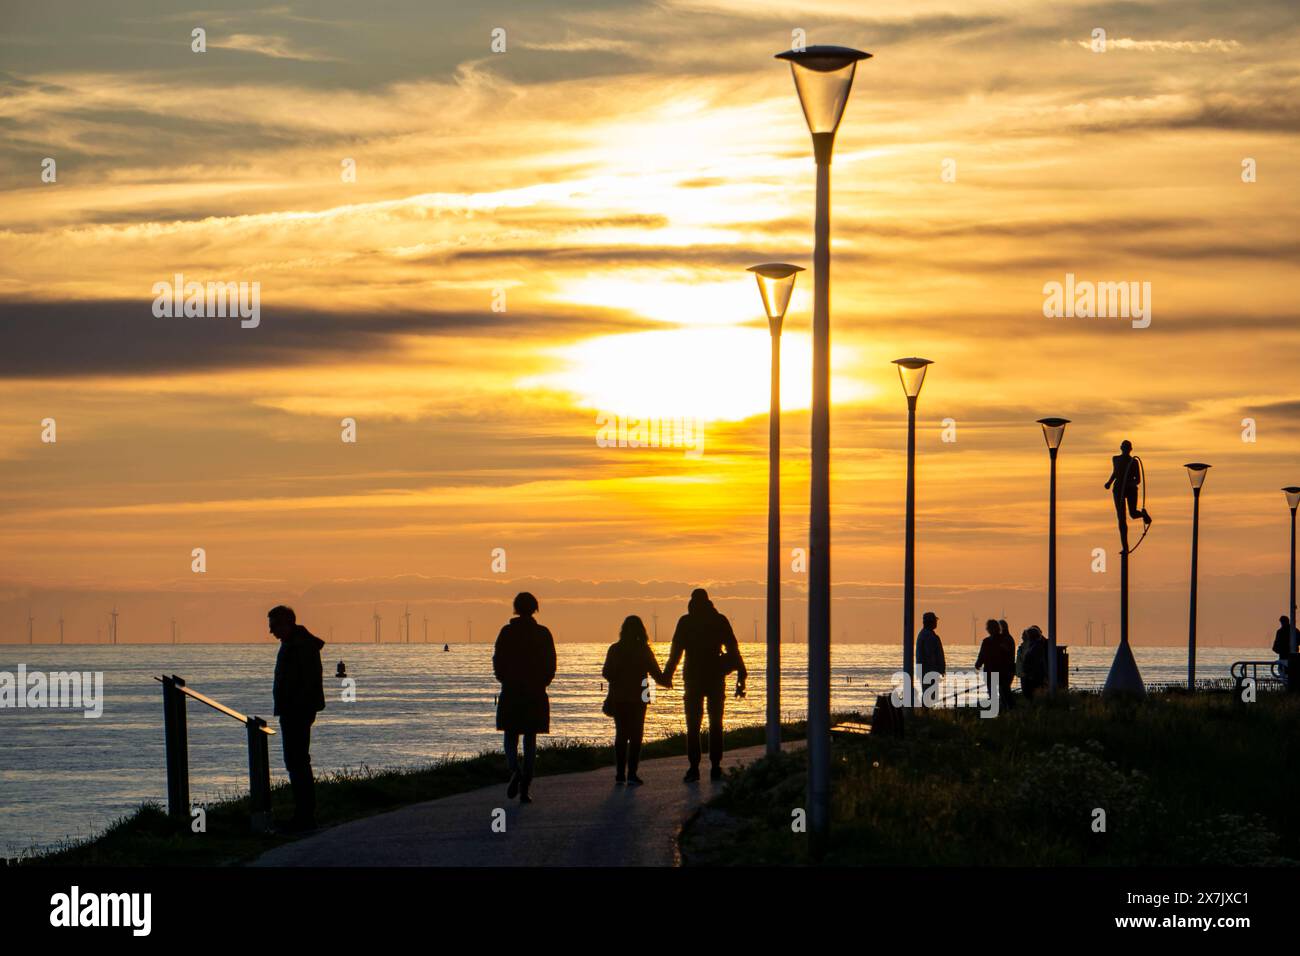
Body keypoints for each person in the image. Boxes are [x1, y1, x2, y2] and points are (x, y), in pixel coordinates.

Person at [663, 588, 746, 782]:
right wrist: (742, 671)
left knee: (693, 725)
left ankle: (694, 769)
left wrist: (668, 675)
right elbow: (733, 648)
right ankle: (715, 767)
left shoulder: (686, 622)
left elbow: (675, 653)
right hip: (715, 677)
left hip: (693, 677)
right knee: (716, 723)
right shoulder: (719, 620)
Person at [493, 592, 556, 804]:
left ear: (516, 608)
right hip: (535, 692)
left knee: (510, 736)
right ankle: (525, 788)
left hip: (511, 691)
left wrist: (504, 679)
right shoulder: (543, 633)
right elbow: (551, 662)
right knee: (530, 739)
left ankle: (514, 770)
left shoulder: (507, 632)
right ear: (535, 608)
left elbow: (498, 660)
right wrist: (544, 681)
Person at [268, 605, 325, 832]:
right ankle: (302, 814)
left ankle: (304, 816)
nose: (271, 631)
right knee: (296, 762)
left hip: (297, 712)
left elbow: (307, 682)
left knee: (297, 762)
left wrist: (295, 706)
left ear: (287, 623)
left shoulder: (300, 647)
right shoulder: (294, 644)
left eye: (274, 626)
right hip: (294, 710)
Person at [602, 615, 669, 785]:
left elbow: (607, 673)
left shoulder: (615, 649)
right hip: (641, 695)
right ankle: (632, 773)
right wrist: (667, 681)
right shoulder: (644, 650)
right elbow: (655, 672)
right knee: (636, 735)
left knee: (621, 734)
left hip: (620, 695)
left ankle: (619, 774)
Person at [1105, 440, 1152, 546]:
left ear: (1130, 450)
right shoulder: (1115, 459)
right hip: (1118, 489)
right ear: (1121, 448)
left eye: (1127, 448)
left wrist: (1131, 484)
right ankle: (1125, 546)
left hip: (1130, 489)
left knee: (1133, 513)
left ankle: (1143, 514)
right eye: (1124, 447)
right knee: (1121, 518)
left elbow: (1138, 479)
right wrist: (1109, 482)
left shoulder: (1133, 462)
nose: (1125, 450)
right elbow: (1115, 472)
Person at [975, 618, 1015, 703]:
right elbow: (982, 655)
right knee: (1004, 691)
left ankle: (1003, 709)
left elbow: (982, 655)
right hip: (998, 670)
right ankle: (1005, 709)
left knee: (1001, 692)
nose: (987, 629)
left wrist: (978, 663)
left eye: (988, 627)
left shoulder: (989, 641)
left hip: (997, 670)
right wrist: (978, 663)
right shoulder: (1002, 640)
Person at [916, 611, 946, 703]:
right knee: (929, 695)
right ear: (930, 622)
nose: (936, 623)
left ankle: (926, 712)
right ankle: (926, 713)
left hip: (927, 670)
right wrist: (939, 669)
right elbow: (931, 655)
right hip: (929, 670)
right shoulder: (928, 636)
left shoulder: (925, 635)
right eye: (934, 621)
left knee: (930, 695)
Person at [1016, 625, 1048, 698]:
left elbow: (1033, 662)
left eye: (1026, 636)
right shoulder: (1034, 647)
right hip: (1028, 675)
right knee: (1030, 695)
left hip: (1031, 677)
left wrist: (1029, 674)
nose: (1023, 637)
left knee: (1031, 695)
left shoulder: (1035, 648)